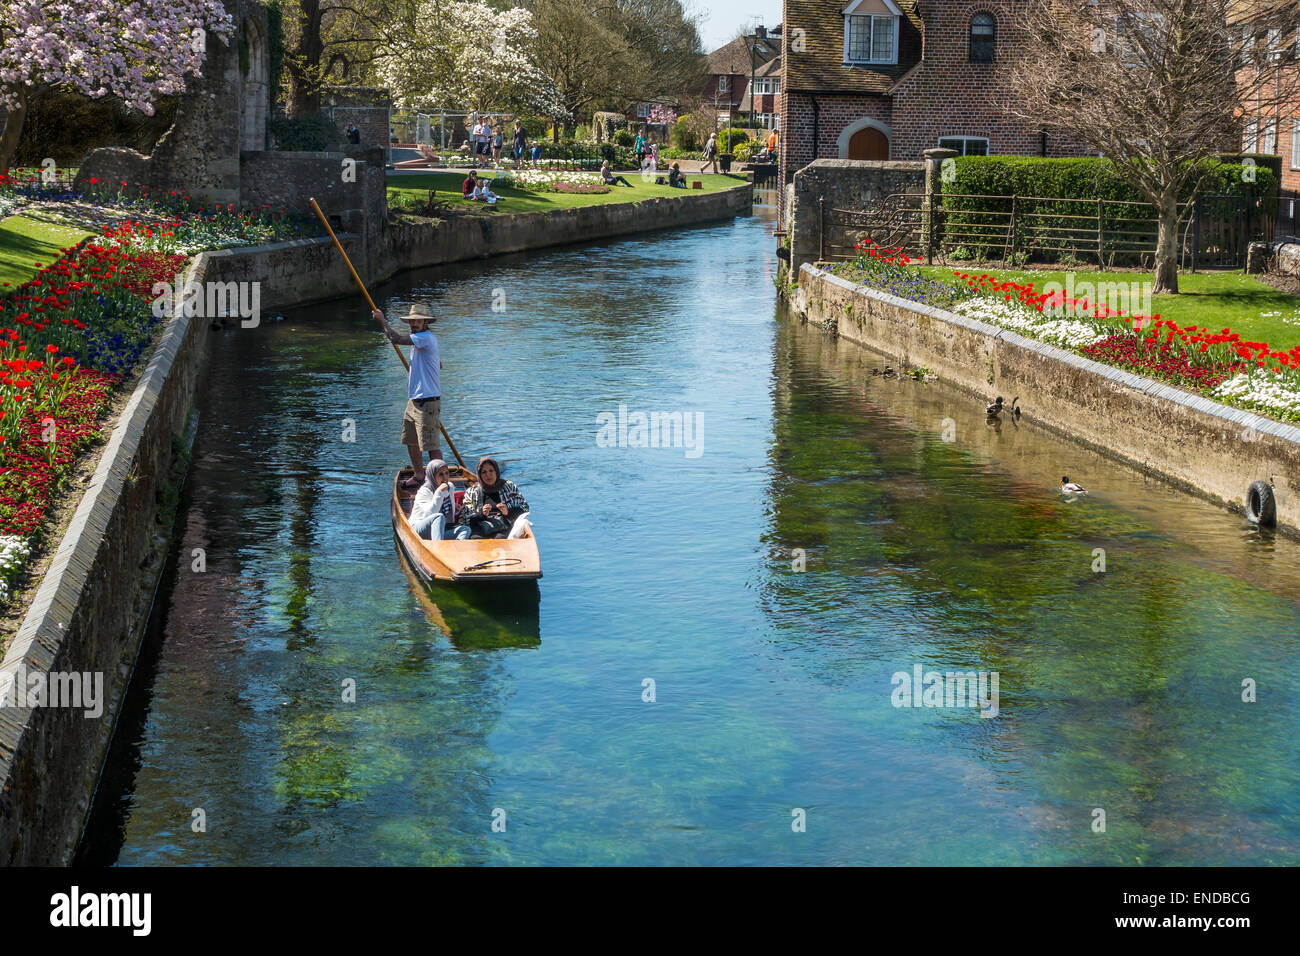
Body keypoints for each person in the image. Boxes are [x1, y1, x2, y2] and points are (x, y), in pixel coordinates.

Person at [373, 302, 443, 489]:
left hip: (428, 401)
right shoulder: (420, 340)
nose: (414, 324)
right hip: (414, 401)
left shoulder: (425, 337)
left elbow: (395, 338)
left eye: (417, 321)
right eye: (412, 321)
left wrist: (382, 321)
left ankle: (439, 482)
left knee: (431, 444)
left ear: (425, 322)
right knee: (410, 440)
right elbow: (435, 362)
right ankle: (420, 475)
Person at [461, 457, 530, 539]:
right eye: (484, 472)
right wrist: (481, 514)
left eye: (491, 471)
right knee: (476, 540)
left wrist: (507, 512)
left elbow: (525, 509)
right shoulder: (472, 491)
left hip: (503, 525)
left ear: (496, 472)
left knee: (500, 539)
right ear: (479, 475)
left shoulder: (509, 487)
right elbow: (465, 518)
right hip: (481, 526)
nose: (488, 475)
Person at [409, 460, 472, 540]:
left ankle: (455, 549)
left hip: (439, 529)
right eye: (441, 474)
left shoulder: (450, 487)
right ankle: (438, 547)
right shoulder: (424, 491)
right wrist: (439, 493)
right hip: (418, 529)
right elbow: (430, 514)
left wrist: (454, 507)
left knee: (465, 529)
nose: (445, 477)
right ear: (432, 475)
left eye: (446, 473)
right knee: (439, 516)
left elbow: (449, 515)